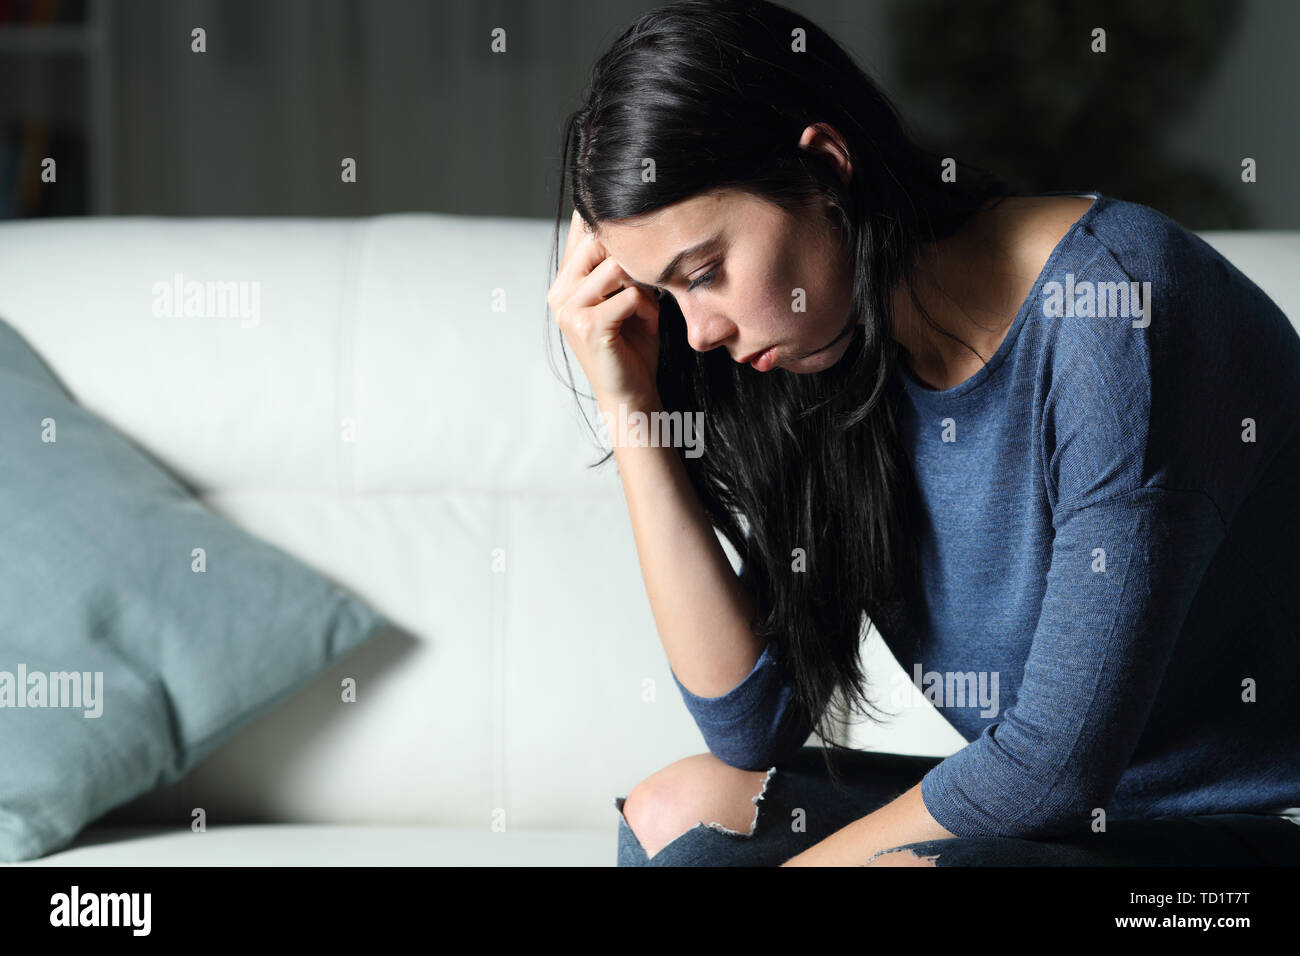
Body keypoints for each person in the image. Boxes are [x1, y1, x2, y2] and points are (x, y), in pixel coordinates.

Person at [544, 0, 1300, 866]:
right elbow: (750, 726)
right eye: (666, 296)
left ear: (826, 169)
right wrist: (630, 407)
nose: (698, 333)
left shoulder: (1113, 311)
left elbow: (1053, 770)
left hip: (1244, 840)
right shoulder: (830, 357)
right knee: (680, 810)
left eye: (706, 273)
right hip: (1064, 828)